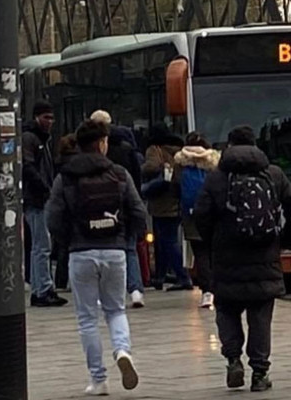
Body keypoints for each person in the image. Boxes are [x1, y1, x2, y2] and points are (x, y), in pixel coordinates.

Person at [195, 125, 291, 392]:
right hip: (265, 257)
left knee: (227, 310)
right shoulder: (274, 174)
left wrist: (213, 242)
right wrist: (284, 240)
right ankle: (260, 372)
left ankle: (233, 360)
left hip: (226, 258)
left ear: (229, 146)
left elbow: (201, 214)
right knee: (260, 316)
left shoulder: (216, 178)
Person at [46, 118, 147, 396]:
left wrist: (68, 243)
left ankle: (98, 379)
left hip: (81, 251)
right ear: (103, 143)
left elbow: (53, 217)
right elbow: (138, 212)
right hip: (115, 250)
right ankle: (123, 350)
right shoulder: (119, 174)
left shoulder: (65, 177)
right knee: (115, 310)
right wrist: (128, 240)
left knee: (87, 318)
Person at [91, 110, 146, 308]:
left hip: (102, 205)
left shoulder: (92, 152)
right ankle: (136, 289)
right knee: (129, 249)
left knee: (101, 248)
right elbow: (137, 177)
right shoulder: (126, 146)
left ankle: (103, 293)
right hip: (126, 202)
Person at [23, 100, 66, 307]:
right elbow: (28, 167)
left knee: (38, 246)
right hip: (37, 199)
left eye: (52, 117)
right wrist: (45, 188)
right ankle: (44, 289)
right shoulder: (32, 139)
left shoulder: (39, 139)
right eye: (46, 117)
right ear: (36, 118)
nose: (50, 122)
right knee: (42, 246)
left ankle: (39, 287)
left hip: (37, 198)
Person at [173, 132, 220, 310]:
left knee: (200, 254)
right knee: (213, 251)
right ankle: (219, 288)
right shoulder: (212, 161)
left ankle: (207, 292)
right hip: (212, 213)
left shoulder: (180, 163)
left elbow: (175, 188)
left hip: (191, 215)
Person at [142, 124, 191, 291]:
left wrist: (142, 169)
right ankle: (161, 275)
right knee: (166, 239)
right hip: (177, 199)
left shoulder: (154, 149)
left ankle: (183, 276)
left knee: (167, 240)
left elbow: (151, 166)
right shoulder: (179, 150)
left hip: (162, 201)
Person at [53, 134, 78, 294]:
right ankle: (69, 279)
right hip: (75, 205)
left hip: (63, 207)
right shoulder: (78, 162)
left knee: (62, 247)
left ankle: (60, 281)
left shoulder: (58, 161)